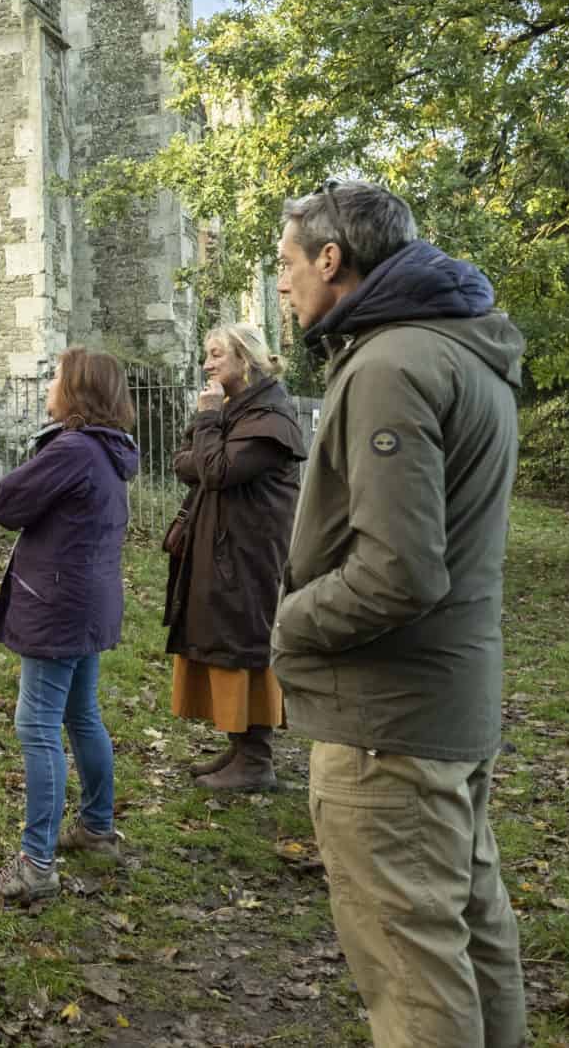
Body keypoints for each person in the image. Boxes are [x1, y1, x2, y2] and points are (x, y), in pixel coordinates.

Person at [270, 180, 528, 1046]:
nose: (282, 284)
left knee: (411, 971)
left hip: (391, 725)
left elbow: (399, 571)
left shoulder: (390, 364)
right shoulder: (463, 351)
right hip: (447, 706)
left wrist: (289, 623)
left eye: (287, 263)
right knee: (467, 930)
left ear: (331, 259)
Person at [0, 346, 139, 906]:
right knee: (81, 713)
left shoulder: (72, 449)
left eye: (57, 378)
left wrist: (14, 479)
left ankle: (36, 865)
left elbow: (6, 504)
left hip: (59, 603)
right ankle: (96, 827)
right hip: (88, 599)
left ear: (78, 392)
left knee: (37, 725)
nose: (49, 386)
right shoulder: (110, 450)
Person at [164, 323, 305, 792]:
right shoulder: (231, 411)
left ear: (245, 360)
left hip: (250, 553)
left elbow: (216, 469)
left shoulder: (270, 418)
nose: (207, 364)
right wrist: (208, 441)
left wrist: (207, 428)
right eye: (206, 354)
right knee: (222, 637)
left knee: (245, 641)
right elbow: (186, 462)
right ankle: (239, 748)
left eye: (217, 355)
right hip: (223, 545)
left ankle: (257, 759)